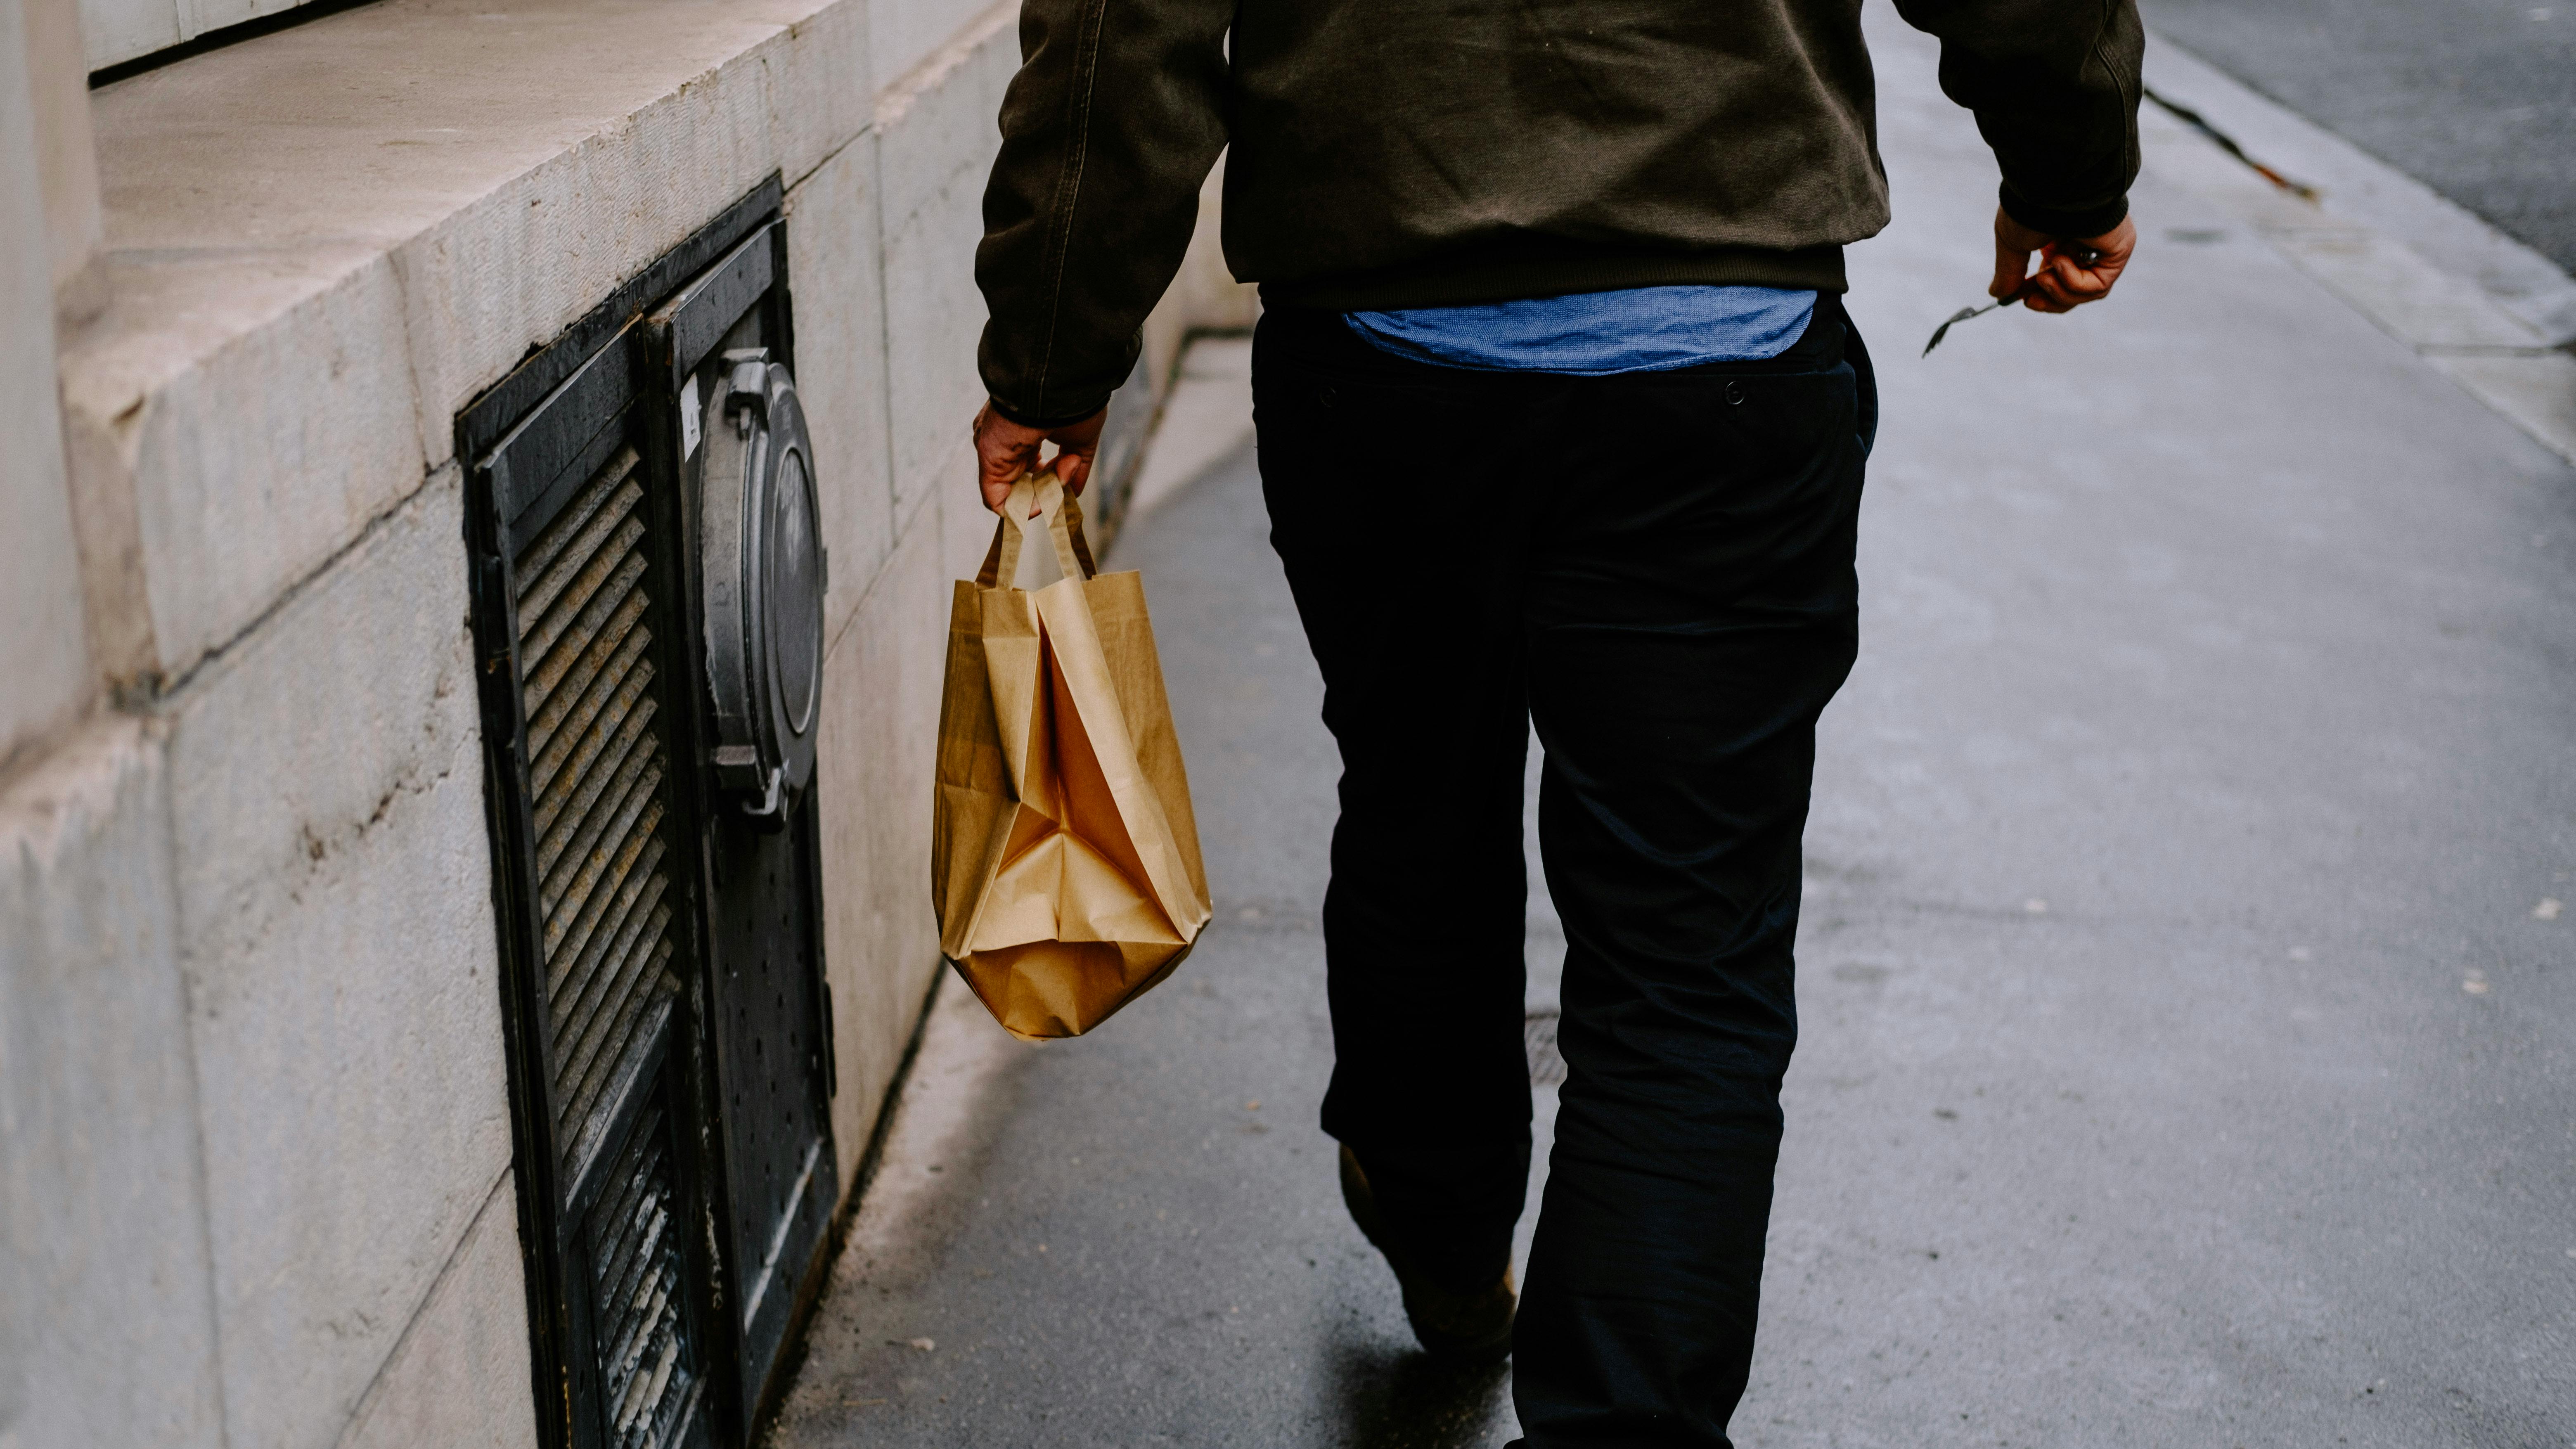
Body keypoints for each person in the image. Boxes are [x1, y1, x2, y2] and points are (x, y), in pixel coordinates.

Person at [968, 0, 2139, 1440]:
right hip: (1722, 335)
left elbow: (1120, 28)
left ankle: (1444, 1220)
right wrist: (2073, 164)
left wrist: (1048, 352)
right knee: (1685, 957)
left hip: (1380, 343)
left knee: (1417, 804)